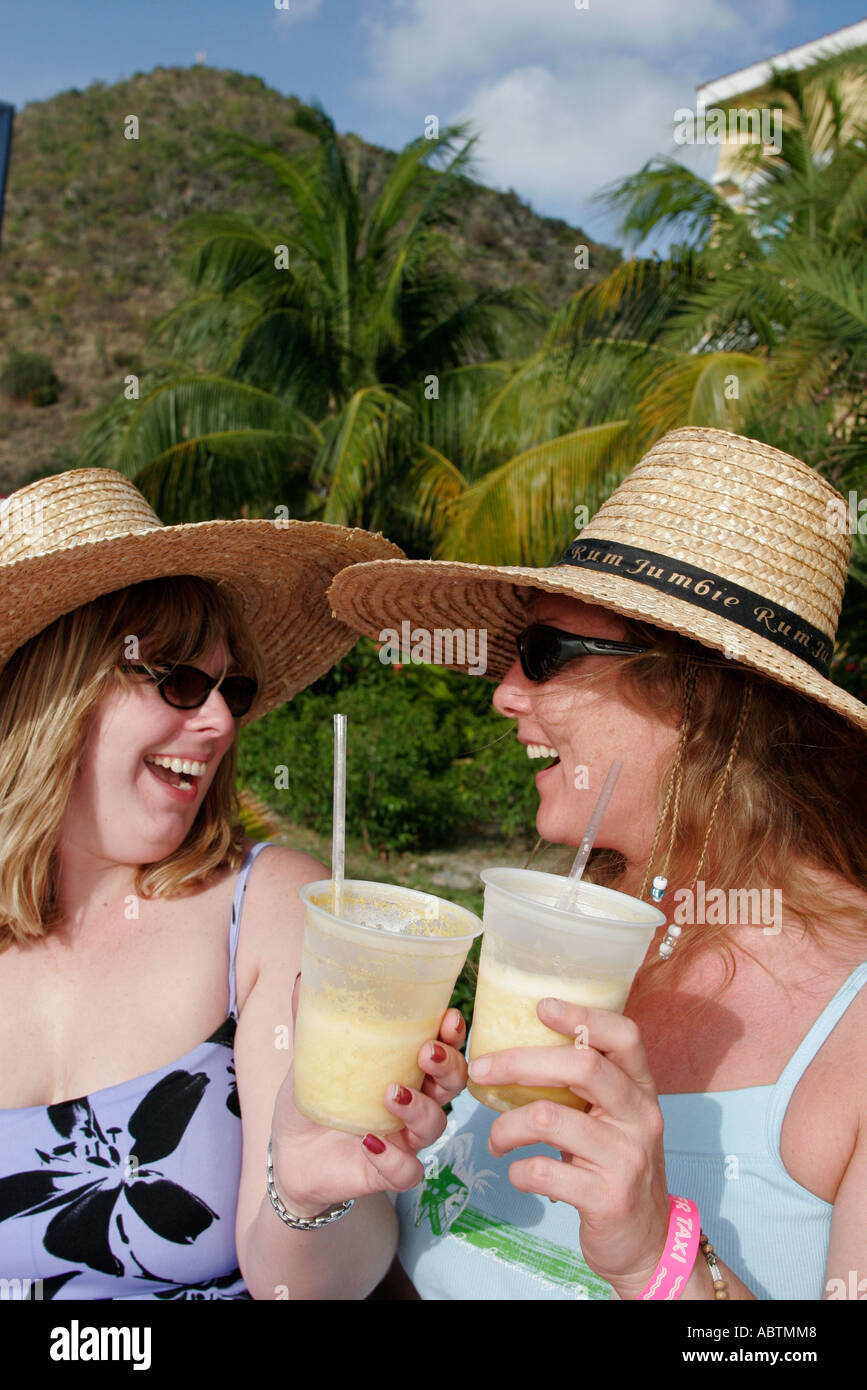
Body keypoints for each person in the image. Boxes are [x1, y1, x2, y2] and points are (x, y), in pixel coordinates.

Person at [328, 426, 867, 1301]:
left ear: (696, 696)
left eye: (544, 655)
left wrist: (662, 1261)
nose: (504, 693)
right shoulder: (570, 931)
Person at [0, 468, 468, 1300]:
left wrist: (306, 1192)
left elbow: (312, 1289)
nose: (219, 721)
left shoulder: (267, 908)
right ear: (52, 691)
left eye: (232, 689)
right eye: (179, 680)